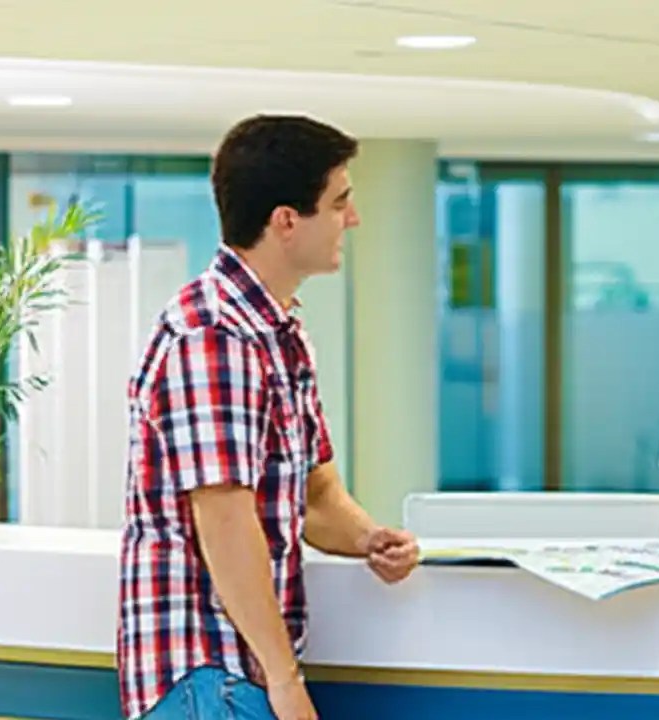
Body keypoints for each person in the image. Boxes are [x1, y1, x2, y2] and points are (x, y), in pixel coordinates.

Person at [117, 114, 420, 720]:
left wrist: (367, 538)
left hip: (242, 671)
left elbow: (315, 494)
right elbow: (224, 520)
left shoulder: (280, 332)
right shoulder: (213, 335)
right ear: (287, 221)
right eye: (339, 203)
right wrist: (285, 682)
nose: (352, 220)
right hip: (210, 673)